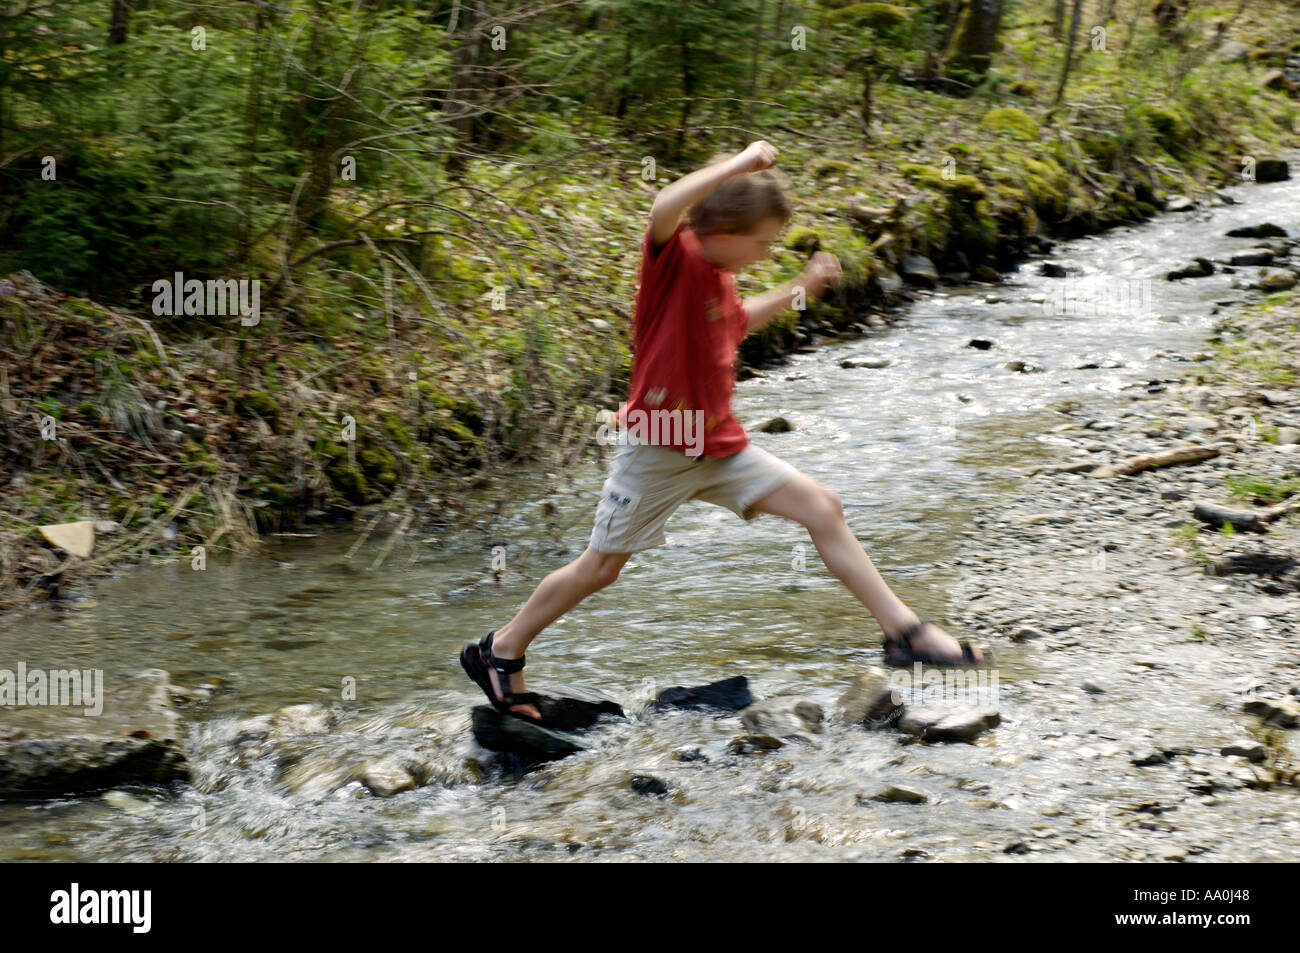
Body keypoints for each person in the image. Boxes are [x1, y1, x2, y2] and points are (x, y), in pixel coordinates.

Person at [461, 140, 984, 725]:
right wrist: (736, 165)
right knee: (602, 568)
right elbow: (663, 206)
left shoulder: (719, 277)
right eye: (760, 242)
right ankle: (500, 650)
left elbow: (736, 324)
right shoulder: (677, 257)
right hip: (659, 445)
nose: (765, 253)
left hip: (717, 445)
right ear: (724, 228)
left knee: (822, 507)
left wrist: (800, 288)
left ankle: (903, 632)